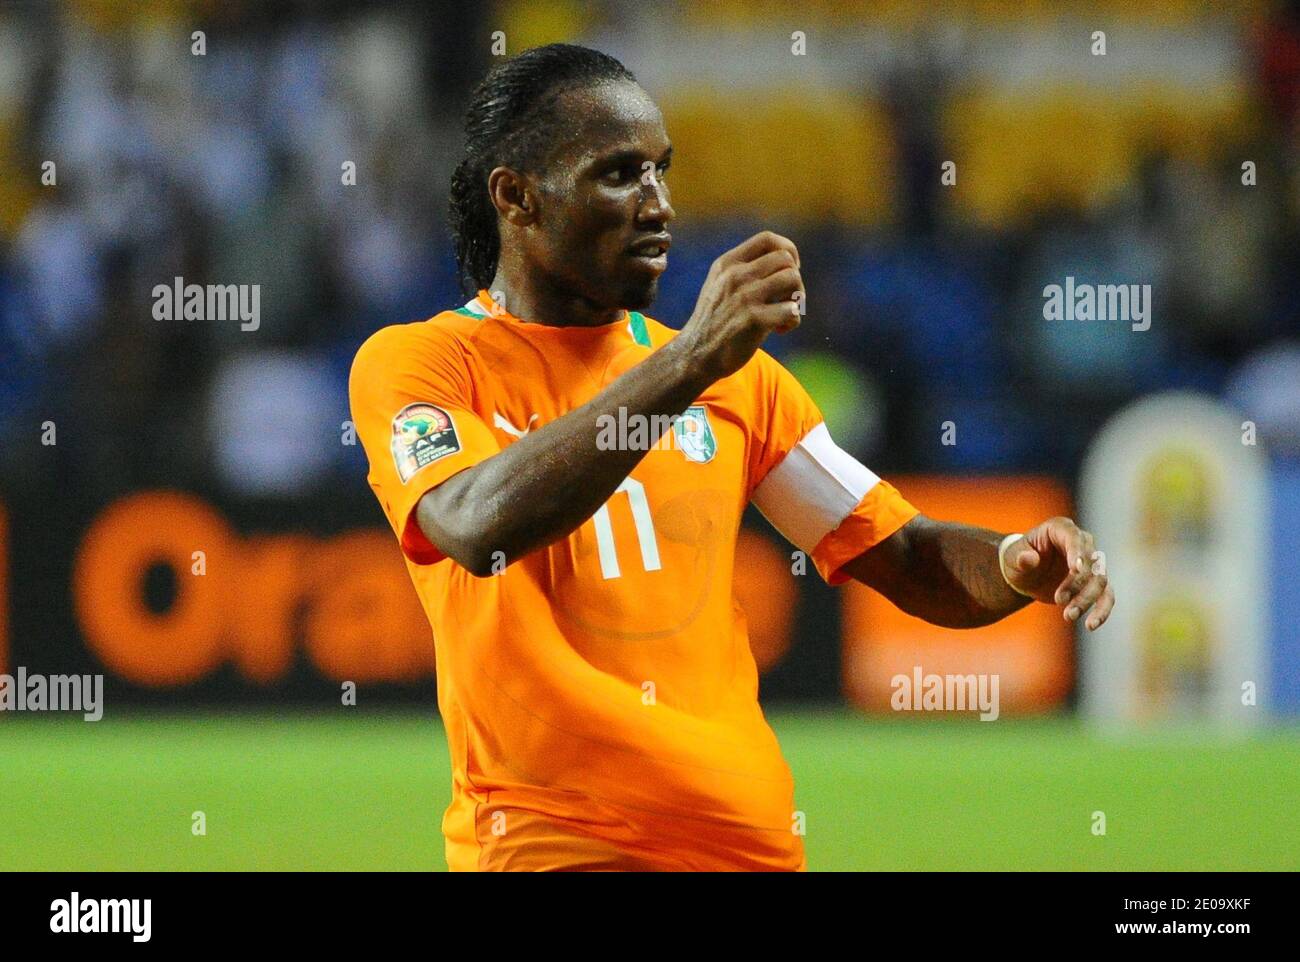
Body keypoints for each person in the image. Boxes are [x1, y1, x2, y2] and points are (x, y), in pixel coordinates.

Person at [349, 43, 1114, 871]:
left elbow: (900, 551)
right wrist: (687, 364)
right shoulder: (422, 364)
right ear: (517, 198)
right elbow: (473, 524)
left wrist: (1011, 563)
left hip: (748, 848)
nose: (658, 206)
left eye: (661, 173)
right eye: (618, 175)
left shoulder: (736, 382)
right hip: (552, 845)